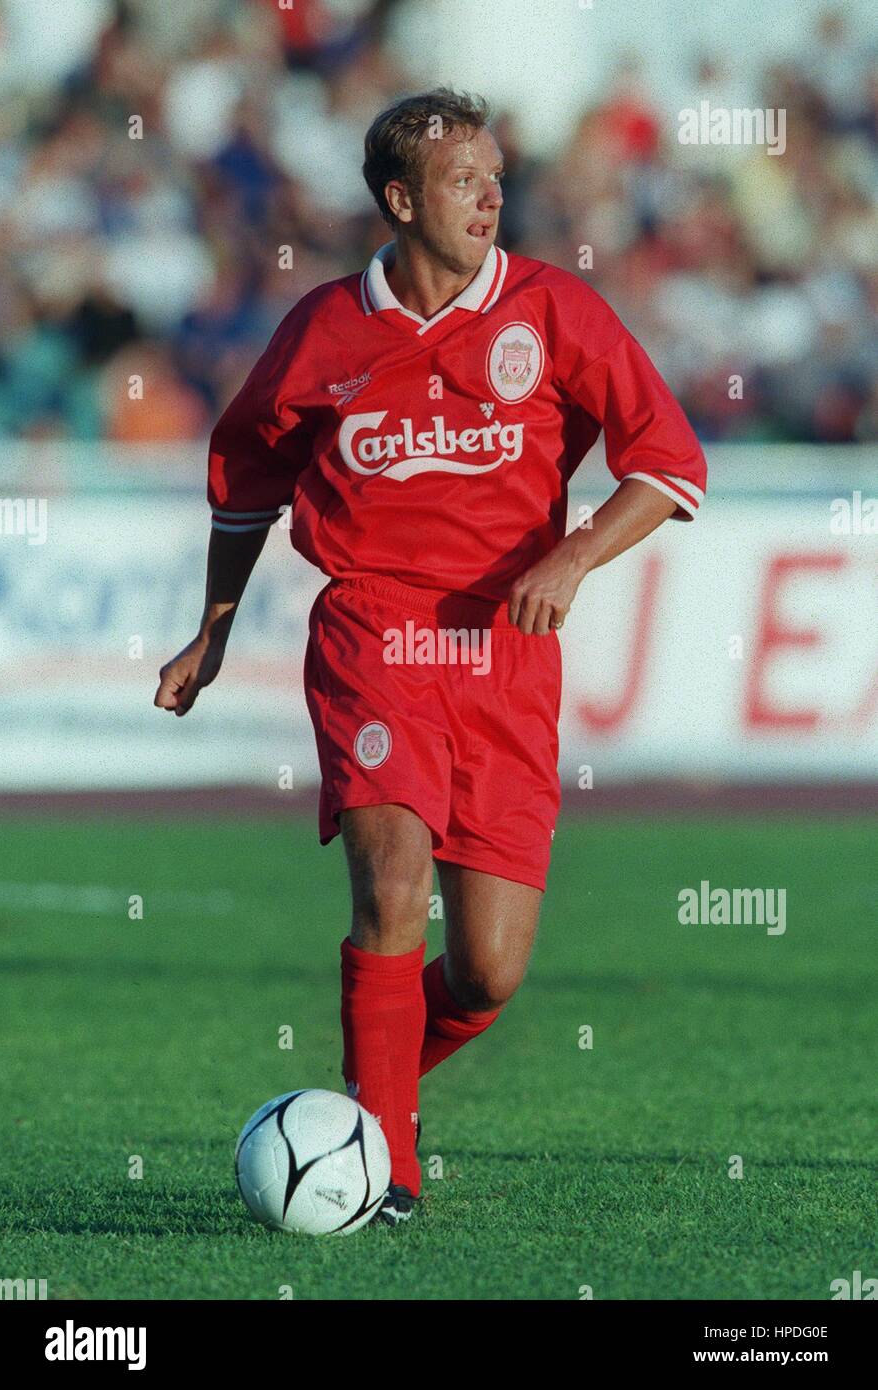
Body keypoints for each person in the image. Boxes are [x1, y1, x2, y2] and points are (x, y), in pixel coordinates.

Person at [154, 88, 706, 1225]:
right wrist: (212, 630)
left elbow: (669, 464)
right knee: (392, 880)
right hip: (375, 631)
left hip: (506, 649)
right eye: (465, 180)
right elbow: (244, 485)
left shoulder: (552, 311)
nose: (491, 195)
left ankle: (368, 1105)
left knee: (491, 971)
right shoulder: (321, 331)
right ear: (401, 201)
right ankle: (385, 1178)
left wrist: (572, 557)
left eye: (497, 175)